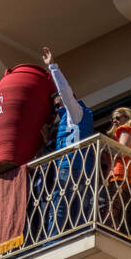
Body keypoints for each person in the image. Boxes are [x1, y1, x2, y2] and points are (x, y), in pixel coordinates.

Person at [41, 45, 95, 238]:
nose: (58, 108)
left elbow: (65, 91)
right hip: (82, 170)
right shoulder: (69, 119)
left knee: (60, 206)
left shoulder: (76, 113)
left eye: (59, 104)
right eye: (56, 107)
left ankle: (52, 240)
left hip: (71, 167)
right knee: (76, 209)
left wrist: (53, 67)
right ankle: (74, 239)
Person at [104, 106, 131, 234]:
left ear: (127, 118)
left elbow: (121, 151)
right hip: (130, 178)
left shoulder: (125, 130)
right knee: (123, 212)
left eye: (117, 117)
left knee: (113, 211)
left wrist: (103, 147)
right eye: (112, 119)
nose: (114, 121)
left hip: (120, 176)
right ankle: (121, 236)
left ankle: (112, 236)